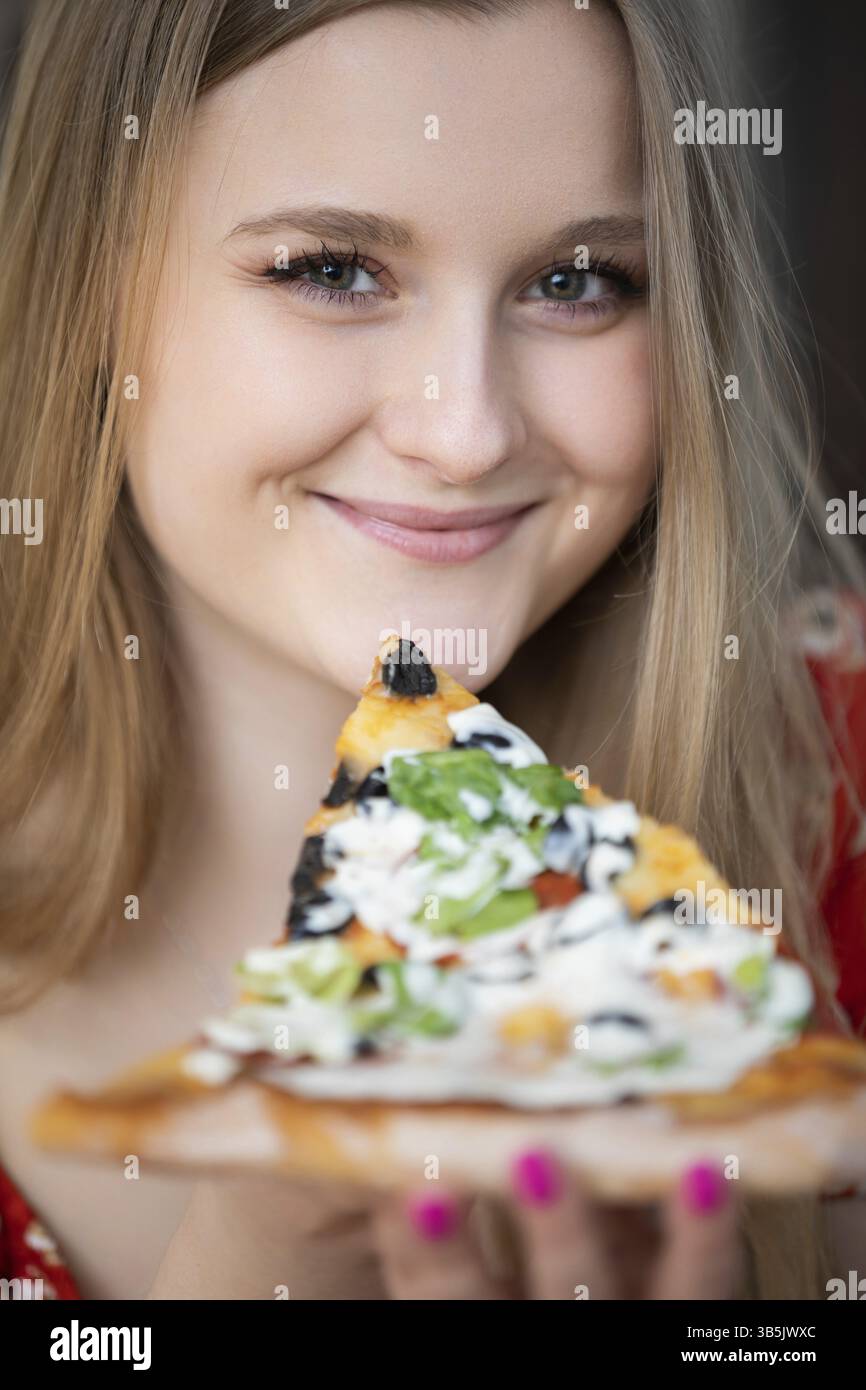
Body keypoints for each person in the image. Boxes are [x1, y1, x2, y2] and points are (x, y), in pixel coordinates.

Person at [0, 0, 864, 1301]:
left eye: (576, 282)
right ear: (87, 289)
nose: (463, 432)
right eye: (332, 270)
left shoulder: (842, 793)